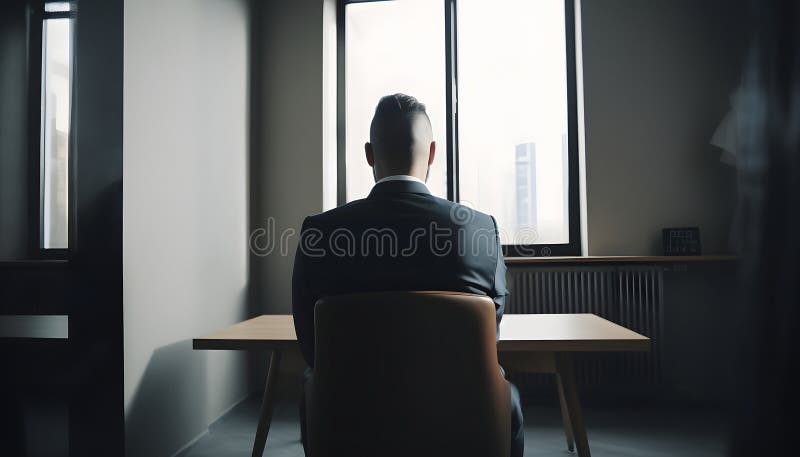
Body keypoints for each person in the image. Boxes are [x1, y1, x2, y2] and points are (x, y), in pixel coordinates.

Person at [292, 93, 523, 456]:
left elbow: (311, 348)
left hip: (350, 425)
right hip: (458, 424)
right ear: (432, 153)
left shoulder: (320, 233)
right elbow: (488, 335)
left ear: (369, 154)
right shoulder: (480, 230)